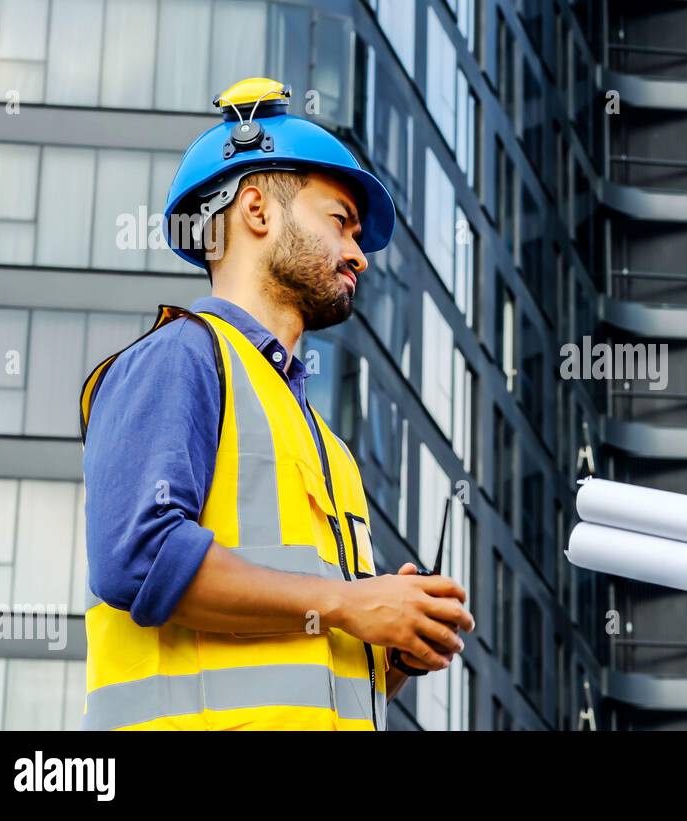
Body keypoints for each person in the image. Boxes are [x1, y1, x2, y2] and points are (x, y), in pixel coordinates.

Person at [78, 78, 473, 730]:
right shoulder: (180, 356)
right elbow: (141, 559)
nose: (359, 255)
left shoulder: (327, 444)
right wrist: (350, 602)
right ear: (257, 212)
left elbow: (304, 657)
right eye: (339, 222)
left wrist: (393, 648)